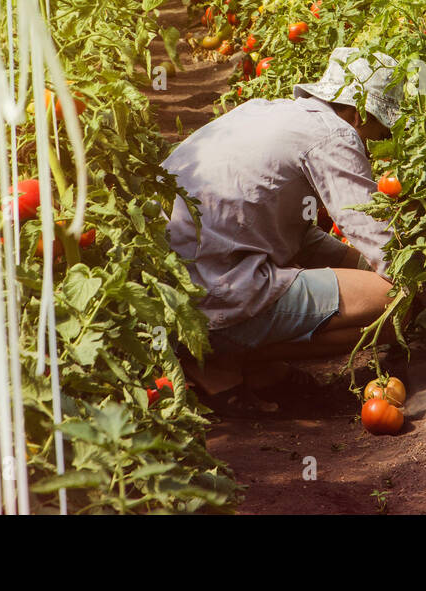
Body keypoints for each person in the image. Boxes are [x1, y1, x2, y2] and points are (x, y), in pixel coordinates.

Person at [161, 47, 401, 414]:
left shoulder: (261, 112)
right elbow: (377, 238)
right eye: (379, 132)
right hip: (214, 293)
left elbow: (283, 228)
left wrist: (354, 260)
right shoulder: (334, 134)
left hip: (171, 288)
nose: (375, 147)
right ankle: (223, 359)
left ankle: (243, 363)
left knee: (369, 278)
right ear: (358, 114)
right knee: (394, 302)